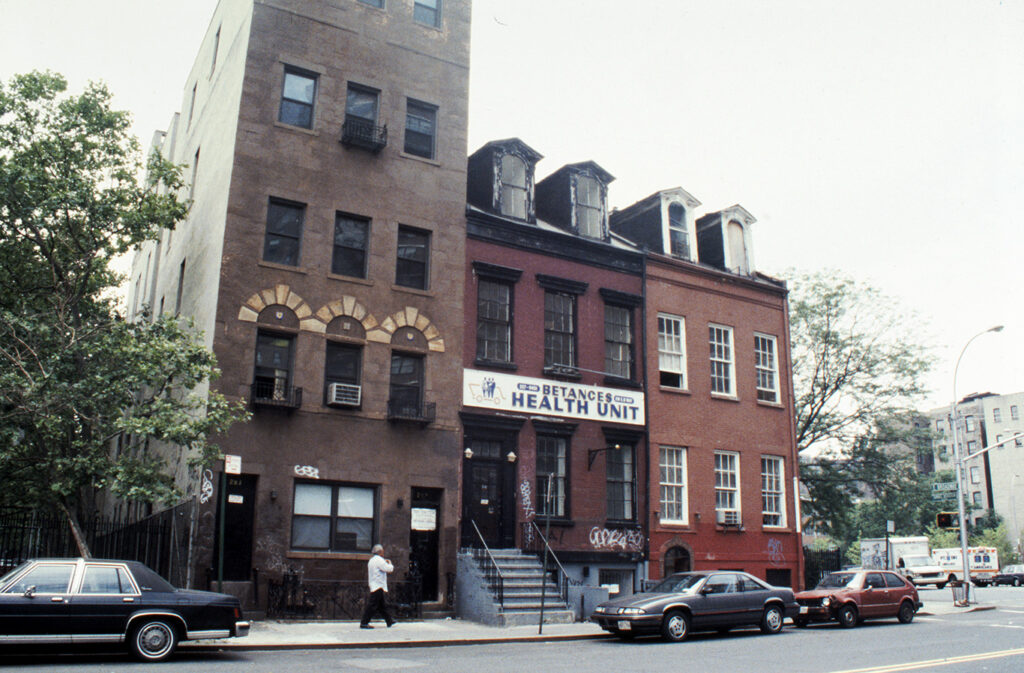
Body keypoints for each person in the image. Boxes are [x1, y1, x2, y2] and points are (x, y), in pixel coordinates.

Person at [360, 544, 395, 629]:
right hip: (378, 585)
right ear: (380, 552)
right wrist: (390, 563)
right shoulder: (379, 560)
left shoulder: (371, 560)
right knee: (373, 605)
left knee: (381, 605)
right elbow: (389, 569)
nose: (383, 552)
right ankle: (364, 622)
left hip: (374, 584)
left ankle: (389, 620)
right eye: (382, 551)